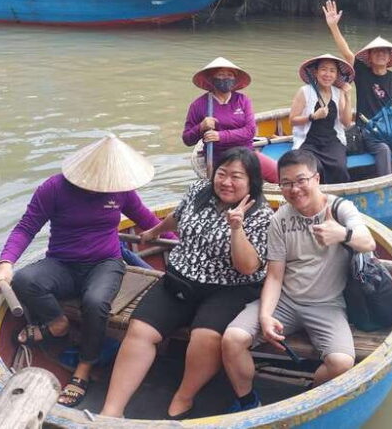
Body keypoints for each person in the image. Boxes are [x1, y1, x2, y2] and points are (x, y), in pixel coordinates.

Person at [0, 134, 164, 408]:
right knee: (25, 280)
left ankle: (83, 368)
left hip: (105, 263)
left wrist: (179, 243)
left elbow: (148, 221)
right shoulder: (54, 188)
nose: (103, 186)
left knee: (95, 302)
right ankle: (57, 324)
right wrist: (5, 263)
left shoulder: (119, 190)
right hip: (62, 263)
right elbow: (26, 228)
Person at [100, 147, 273, 419]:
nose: (226, 182)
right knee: (140, 331)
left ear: (252, 181)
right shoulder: (199, 191)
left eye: (236, 177)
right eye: (222, 174)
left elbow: (247, 266)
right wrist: (156, 230)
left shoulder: (260, 214)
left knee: (205, 336)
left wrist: (236, 228)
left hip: (229, 286)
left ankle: (185, 395)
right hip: (182, 278)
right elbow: (178, 217)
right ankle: (111, 410)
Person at [221, 149, 376, 412]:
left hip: (327, 305)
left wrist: (342, 234)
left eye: (301, 180)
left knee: (341, 363)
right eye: (286, 183)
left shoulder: (340, 209)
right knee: (232, 339)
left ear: (316, 179)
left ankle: (307, 398)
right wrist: (266, 316)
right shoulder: (280, 219)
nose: (295, 189)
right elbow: (274, 274)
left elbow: (368, 242)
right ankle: (248, 400)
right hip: (286, 301)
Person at [323, 0, 392, 177]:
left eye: (384, 51)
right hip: (369, 131)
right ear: (369, 57)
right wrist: (333, 26)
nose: (381, 54)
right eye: (376, 51)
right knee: (383, 150)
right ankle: (386, 183)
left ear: (389, 57)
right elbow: (346, 52)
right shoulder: (362, 73)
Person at [183, 57, 278, 183]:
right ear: (212, 79)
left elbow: (250, 131)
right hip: (220, 158)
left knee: (279, 174)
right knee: (237, 181)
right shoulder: (199, 104)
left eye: (230, 75)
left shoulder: (243, 100)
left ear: (234, 79)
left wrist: (220, 136)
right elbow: (187, 139)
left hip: (246, 153)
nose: (226, 78)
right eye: (221, 74)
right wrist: (201, 127)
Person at [289, 54, 355, 184]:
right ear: (316, 72)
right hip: (308, 142)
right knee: (314, 168)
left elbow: (346, 123)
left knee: (340, 167)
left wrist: (348, 97)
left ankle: (337, 198)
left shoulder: (338, 93)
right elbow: (292, 120)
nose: (327, 74)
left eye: (332, 70)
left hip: (332, 141)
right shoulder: (305, 91)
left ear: (337, 75)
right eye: (323, 69)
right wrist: (313, 116)